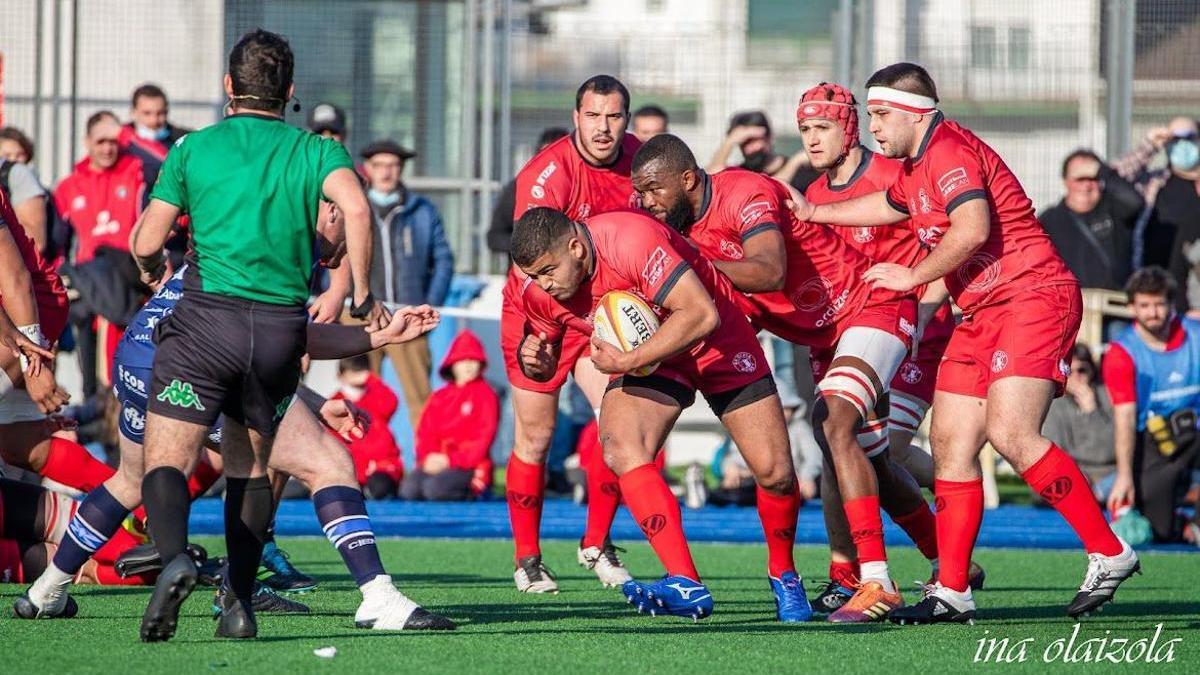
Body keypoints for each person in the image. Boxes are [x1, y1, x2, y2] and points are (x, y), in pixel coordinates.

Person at [785, 62, 1138, 624]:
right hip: (979, 311)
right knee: (950, 444)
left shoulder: (948, 150)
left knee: (1011, 433)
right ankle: (951, 590)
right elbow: (891, 206)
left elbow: (970, 228)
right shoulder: (914, 165)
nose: (872, 126)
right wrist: (813, 212)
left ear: (912, 113)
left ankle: (1108, 549)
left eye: (879, 115)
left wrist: (909, 276)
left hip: (1032, 294)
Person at [15, 251, 453, 633]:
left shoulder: (233, 205)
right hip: (201, 361)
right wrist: (373, 329)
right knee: (326, 460)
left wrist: (317, 400)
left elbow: (147, 240)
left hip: (141, 349)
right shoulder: (285, 226)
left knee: (131, 479)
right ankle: (372, 595)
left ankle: (47, 589)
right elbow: (281, 337)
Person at [124, 29, 389, 642]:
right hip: (277, 334)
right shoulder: (317, 152)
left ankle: (175, 559)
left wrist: (146, 266)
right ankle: (238, 605)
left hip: (204, 327)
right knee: (250, 468)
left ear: (228, 87)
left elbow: (144, 240)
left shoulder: (193, 149)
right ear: (289, 92)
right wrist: (363, 294)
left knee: (167, 457)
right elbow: (356, 210)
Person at [632, 132, 953, 624]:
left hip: (873, 307)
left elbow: (768, 271)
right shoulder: (683, 235)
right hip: (825, 337)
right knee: (873, 459)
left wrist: (688, 265)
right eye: (641, 192)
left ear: (688, 179)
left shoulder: (745, 192)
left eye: (654, 190)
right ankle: (948, 562)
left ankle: (876, 582)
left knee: (833, 423)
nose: (647, 202)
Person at [511, 206, 808, 622]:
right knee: (620, 445)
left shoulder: (631, 240)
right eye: (533, 276)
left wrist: (629, 359)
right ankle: (685, 581)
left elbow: (701, 314)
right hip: (656, 360)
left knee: (775, 473)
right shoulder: (541, 294)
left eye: (547, 271)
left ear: (576, 248)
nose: (543, 284)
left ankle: (784, 573)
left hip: (716, 342)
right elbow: (544, 355)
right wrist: (536, 362)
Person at [795, 82, 988, 616]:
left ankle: (878, 571)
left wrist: (924, 311)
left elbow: (955, 239)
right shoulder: (814, 197)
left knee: (858, 437)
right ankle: (894, 565)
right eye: (805, 129)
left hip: (911, 335)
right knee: (857, 450)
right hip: (852, 335)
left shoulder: (895, 176)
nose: (812, 140)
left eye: (823, 127)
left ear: (850, 127)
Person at [502, 75, 642, 594]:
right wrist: (538, 334)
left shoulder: (641, 163)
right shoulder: (546, 175)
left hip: (602, 314)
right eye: (594, 116)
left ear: (626, 118)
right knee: (534, 438)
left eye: (614, 116)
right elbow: (526, 267)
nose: (604, 128)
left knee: (620, 425)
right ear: (576, 116)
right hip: (538, 310)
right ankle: (527, 558)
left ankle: (597, 543)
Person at [352, 138, 453, 429]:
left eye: (393, 165)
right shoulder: (355, 206)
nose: (386, 172)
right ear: (368, 168)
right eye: (379, 165)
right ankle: (365, 463)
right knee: (361, 395)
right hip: (360, 316)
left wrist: (429, 303)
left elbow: (443, 259)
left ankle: (426, 468)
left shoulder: (422, 210)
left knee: (421, 397)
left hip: (408, 315)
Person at [54, 110, 147, 399]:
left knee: (127, 368)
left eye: (113, 141)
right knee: (91, 368)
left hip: (129, 283)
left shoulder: (136, 173)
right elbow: (58, 244)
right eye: (101, 141)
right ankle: (95, 423)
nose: (107, 148)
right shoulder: (69, 187)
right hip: (90, 288)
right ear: (87, 141)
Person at [1102, 268, 1200, 542]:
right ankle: (1180, 519)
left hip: (1195, 429)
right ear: (1132, 307)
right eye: (1144, 305)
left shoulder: (1196, 336)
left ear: (1171, 304)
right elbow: (1125, 417)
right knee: (1160, 529)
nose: (1153, 313)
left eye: (1159, 304)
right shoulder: (1122, 353)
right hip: (1152, 439)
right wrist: (1124, 476)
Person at [402, 330, 498, 501]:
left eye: (473, 360)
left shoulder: (486, 395)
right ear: (452, 364)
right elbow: (425, 432)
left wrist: (451, 460)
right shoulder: (440, 396)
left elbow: (483, 440)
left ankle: (475, 491)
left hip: (469, 466)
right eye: (462, 360)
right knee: (409, 490)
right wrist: (428, 458)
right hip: (439, 461)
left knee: (434, 489)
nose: (468, 365)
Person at [1040, 149, 1144, 291]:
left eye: (1093, 178)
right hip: (1070, 304)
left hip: (1115, 303)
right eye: (1080, 179)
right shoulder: (1049, 220)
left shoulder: (1114, 208)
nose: (1086, 185)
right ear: (1066, 182)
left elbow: (1135, 202)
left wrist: (1102, 170)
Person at [1113, 116, 1199, 273]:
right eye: (1174, 139)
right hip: (1156, 279)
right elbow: (1113, 178)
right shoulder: (1153, 182)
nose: (1181, 145)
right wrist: (1149, 146)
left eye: (1189, 138)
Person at [1044, 343, 1116, 501]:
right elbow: (1054, 451)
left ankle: (1091, 496)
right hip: (1074, 474)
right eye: (1070, 370)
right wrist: (1076, 475)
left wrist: (1092, 412)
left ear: (1092, 371)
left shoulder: (1107, 395)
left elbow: (1112, 450)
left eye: (1082, 370)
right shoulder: (1054, 402)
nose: (1076, 376)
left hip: (1109, 474)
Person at [332, 354, 405, 498]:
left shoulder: (376, 397)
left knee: (380, 487)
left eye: (360, 372)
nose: (357, 378)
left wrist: (372, 378)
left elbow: (392, 401)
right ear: (341, 375)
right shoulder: (334, 403)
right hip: (349, 469)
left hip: (380, 467)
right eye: (352, 373)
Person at [487, 127, 569, 255]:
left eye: (559, 158)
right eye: (546, 156)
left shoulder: (585, 186)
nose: (552, 164)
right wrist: (528, 245)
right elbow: (494, 237)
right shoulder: (518, 188)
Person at [706, 110, 818, 192]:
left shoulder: (803, 171)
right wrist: (729, 142)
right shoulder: (740, 173)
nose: (749, 148)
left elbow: (772, 190)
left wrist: (795, 163)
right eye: (743, 142)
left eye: (754, 140)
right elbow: (710, 179)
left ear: (769, 137)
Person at [119, 84, 192, 171]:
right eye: (147, 113)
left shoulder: (184, 140)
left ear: (167, 111)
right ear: (133, 112)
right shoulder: (119, 142)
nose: (154, 120)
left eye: (160, 113)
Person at [0, 128, 49, 253]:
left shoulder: (20, 175)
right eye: (7, 156)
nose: (14, 160)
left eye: (20, 155)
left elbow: (36, 242)